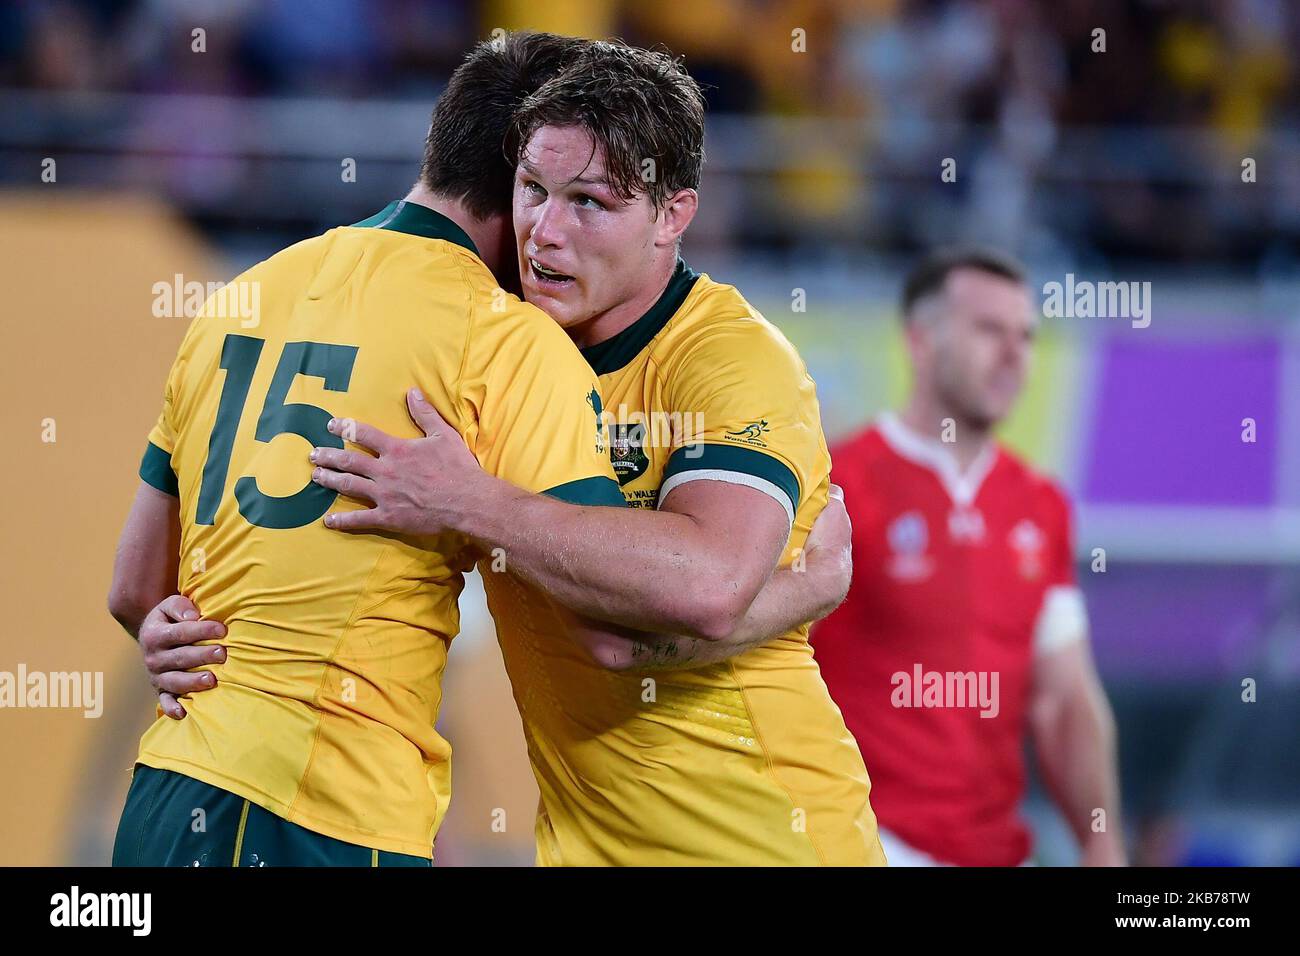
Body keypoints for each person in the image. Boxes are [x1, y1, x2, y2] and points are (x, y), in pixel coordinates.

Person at [115, 35, 858, 866]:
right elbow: (145, 591)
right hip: (572, 845)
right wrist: (172, 629)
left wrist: (810, 585)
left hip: (760, 840)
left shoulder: (725, 359)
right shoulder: (507, 344)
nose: (546, 231)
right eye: (535, 190)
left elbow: (677, 606)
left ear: (673, 214)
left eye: (591, 203)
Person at [812, 248, 1126, 866]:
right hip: (863, 843)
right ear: (922, 342)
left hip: (995, 850)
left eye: (1026, 336)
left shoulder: (1040, 505)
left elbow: (1064, 699)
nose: (1014, 354)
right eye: (989, 330)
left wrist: (1101, 841)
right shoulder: (838, 484)